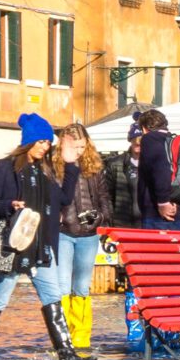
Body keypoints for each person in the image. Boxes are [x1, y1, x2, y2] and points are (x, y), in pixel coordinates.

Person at [0, 113, 69, 360]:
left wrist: (70, 167)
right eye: (40, 142)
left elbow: (64, 200)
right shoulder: (3, 167)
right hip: (12, 245)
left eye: (48, 143)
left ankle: (66, 352)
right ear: (29, 141)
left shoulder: (46, 171)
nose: (44, 147)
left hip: (41, 245)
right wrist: (9, 205)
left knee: (53, 296)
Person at [53, 122, 113, 334]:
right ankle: (62, 337)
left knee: (81, 287)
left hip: (88, 233)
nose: (79, 151)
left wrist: (103, 217)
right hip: (62, 232)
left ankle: (80, 337)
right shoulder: (53, 165)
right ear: (63, 143)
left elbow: (104, 197)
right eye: (74, 147)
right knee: (61, 287)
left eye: (81, 146)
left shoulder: (95, 166)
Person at [137, 108, 180, 229]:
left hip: (157, 213)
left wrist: (163, 202)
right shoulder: (179, 143)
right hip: (178, 214)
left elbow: (160, 168)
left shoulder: (149, 139)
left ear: (144, 128)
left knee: (154, 248)